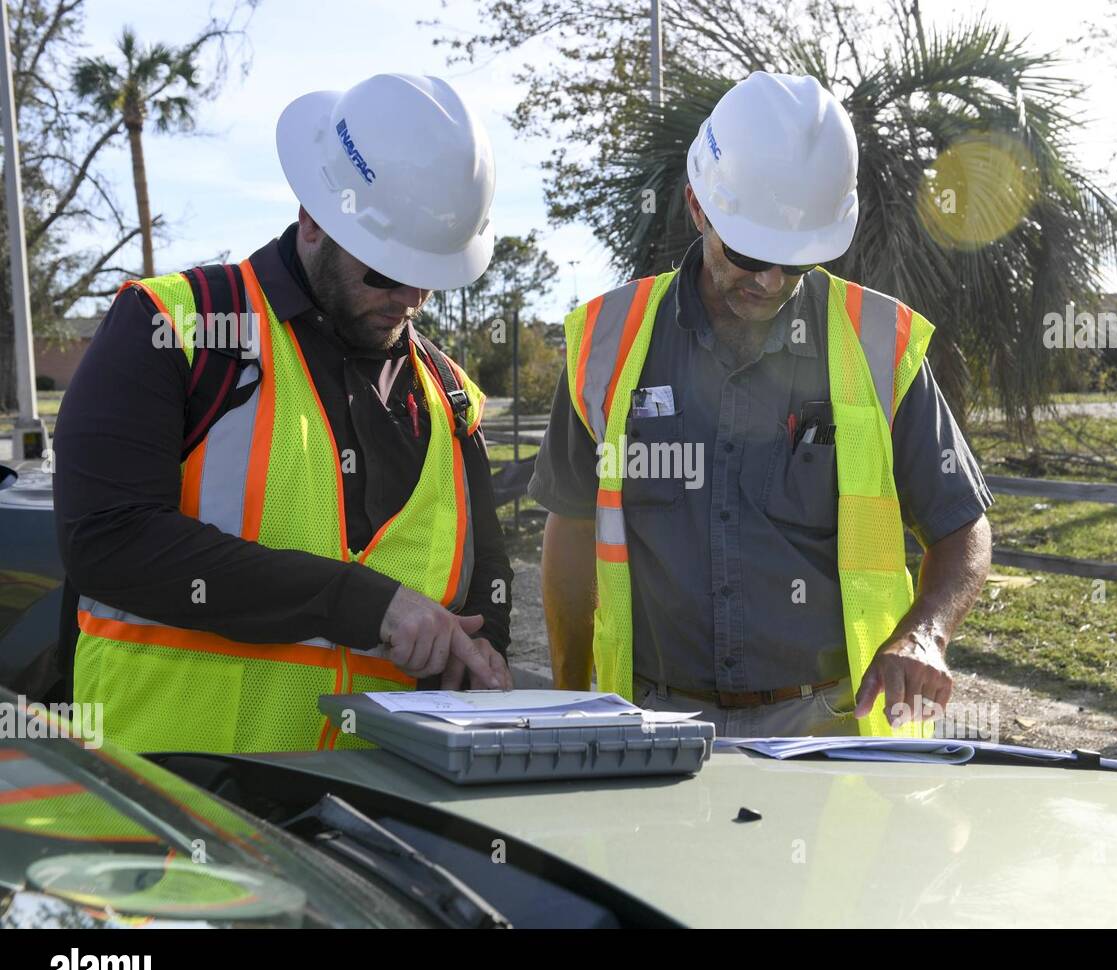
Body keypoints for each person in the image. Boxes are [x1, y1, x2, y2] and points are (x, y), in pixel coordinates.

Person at [54, 73, 512, 754]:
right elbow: (109, 542)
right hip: (172, 810)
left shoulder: (449, 400)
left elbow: (483, 608)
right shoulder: (172, 328)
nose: (410, 299)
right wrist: (362, 604)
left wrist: (482, 672)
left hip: (370, 830)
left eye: (429, 277)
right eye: (385, 270)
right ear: (314, 221)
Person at [530, 71, 993, 738]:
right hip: (650, 717)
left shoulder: (878, 346)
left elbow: (961, 524)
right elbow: (571, 528)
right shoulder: (607, 341)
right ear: (697, 206)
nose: (772, 281)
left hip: (827, 724)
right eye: (750, 253)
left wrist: (926, 632)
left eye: (796, 261)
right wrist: (566, 703)